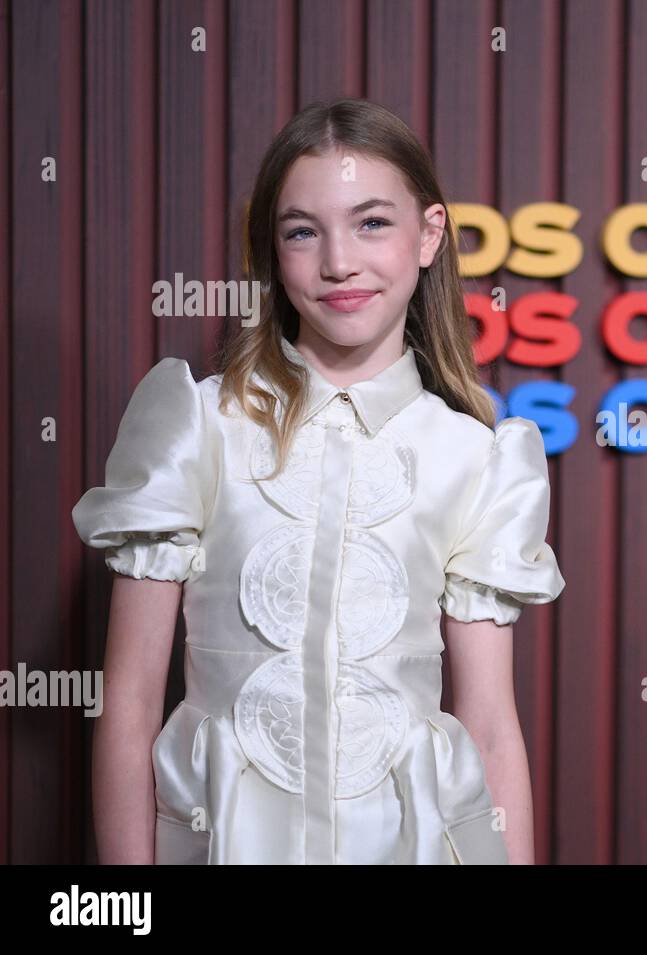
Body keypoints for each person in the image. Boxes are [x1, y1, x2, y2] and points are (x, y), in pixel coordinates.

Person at [71, 98, 564, 864]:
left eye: (372, 223)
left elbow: (492, 725)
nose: (339, 262)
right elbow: (131, 703)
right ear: (271, 251)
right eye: (303, 231)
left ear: (429, 234)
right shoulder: (196, 425)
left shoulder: (477, 456)